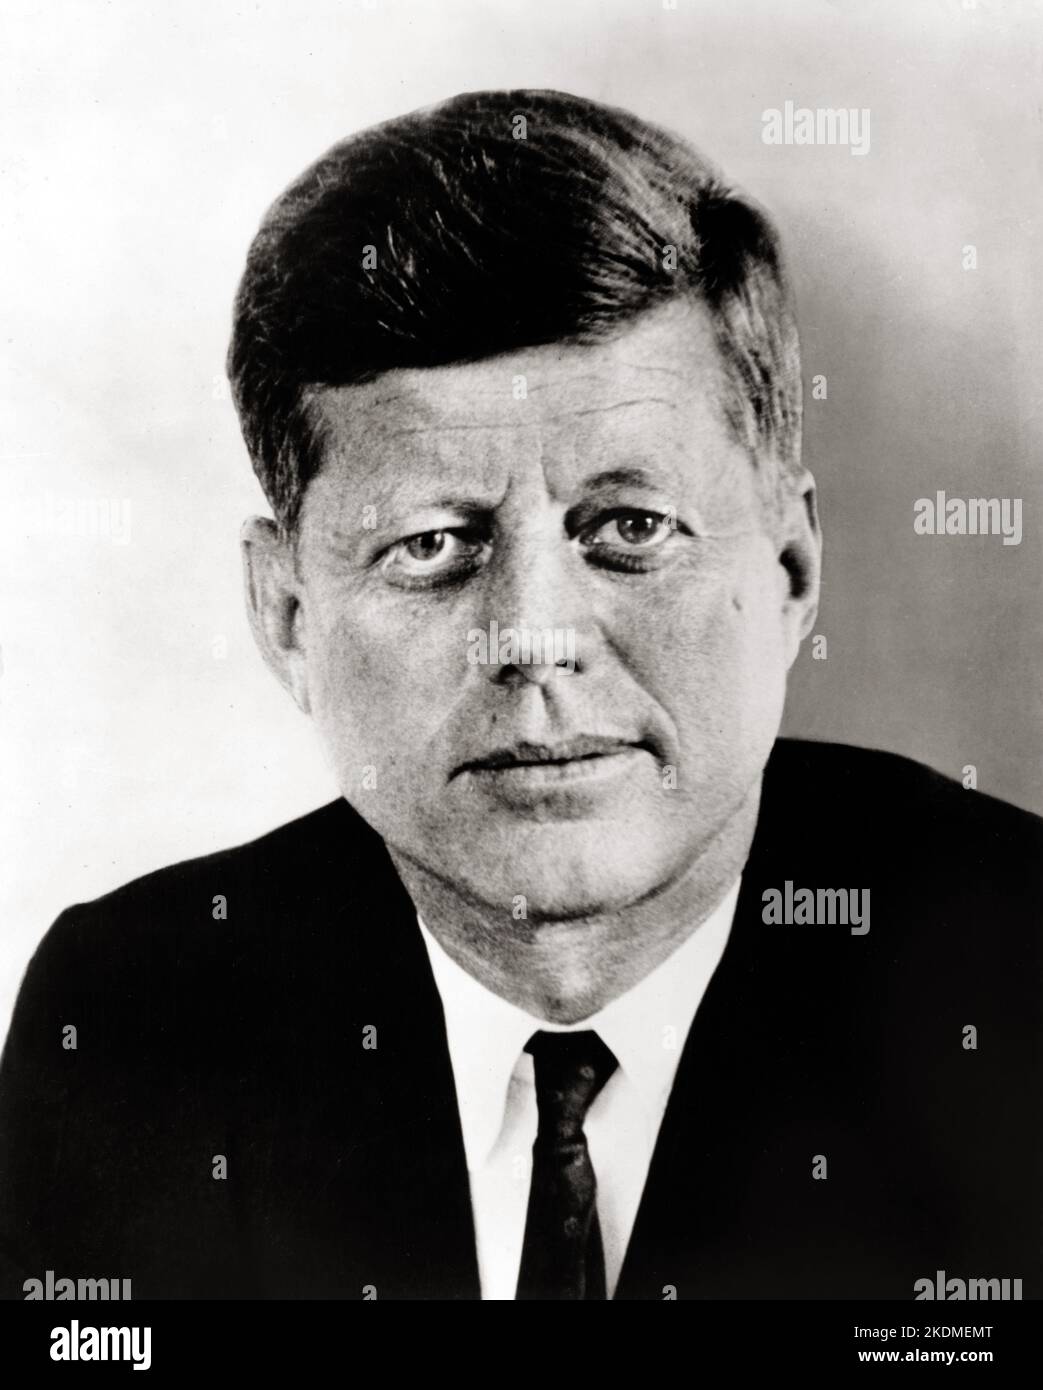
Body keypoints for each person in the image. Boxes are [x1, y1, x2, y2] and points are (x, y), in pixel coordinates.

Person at [1, 89, 1039, 1301]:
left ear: (789, 570)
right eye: (433, 545)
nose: (533, 638)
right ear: (286, 614)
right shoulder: (131, 1024)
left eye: (630, 526)